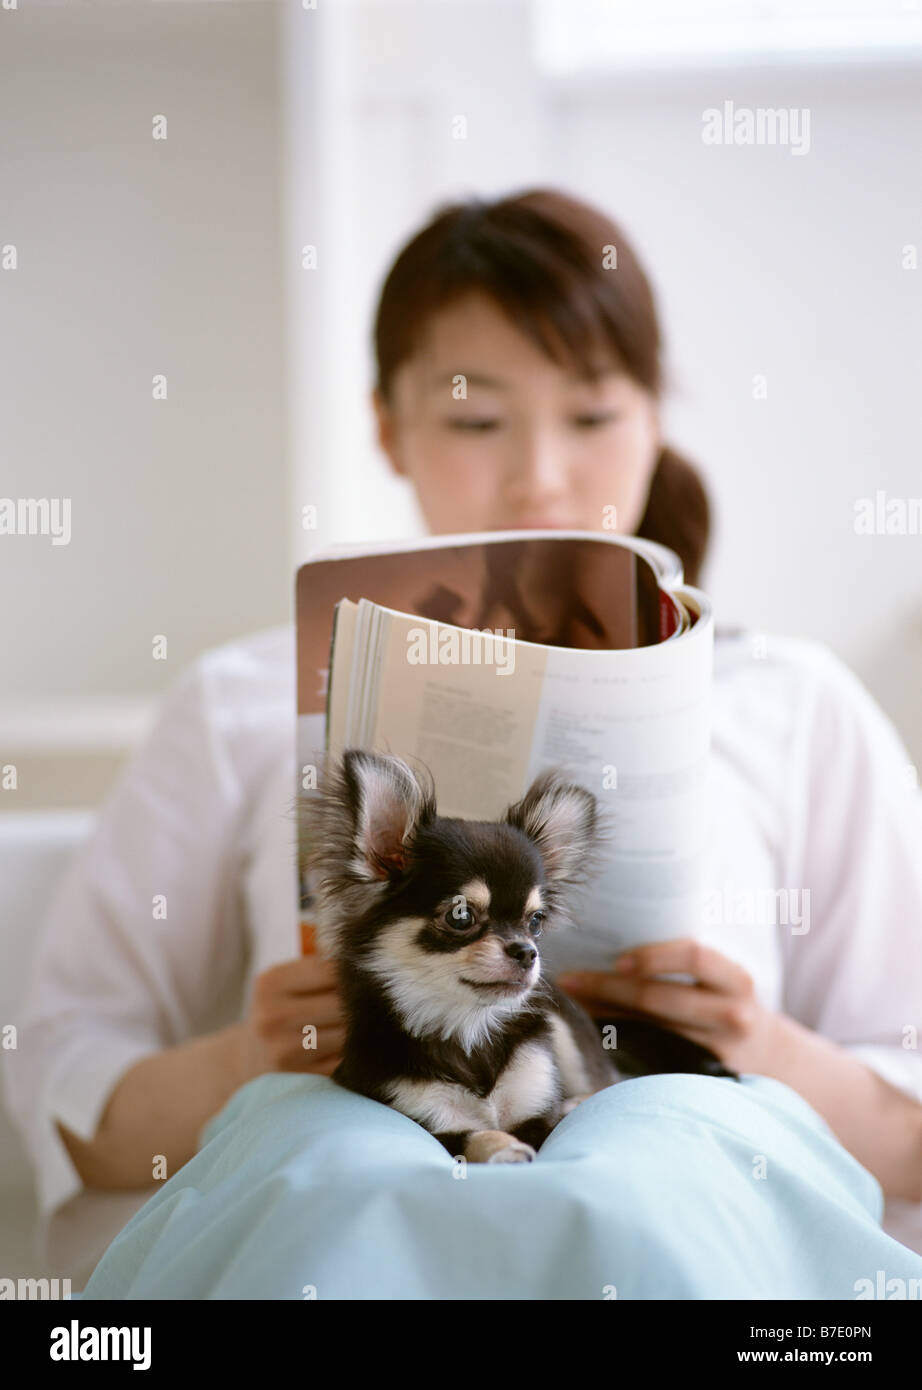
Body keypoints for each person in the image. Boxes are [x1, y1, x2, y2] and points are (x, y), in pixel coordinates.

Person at [4, 189, 922, 1290]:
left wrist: (754, 1047)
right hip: (344, 1192)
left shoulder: (794, 704)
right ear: (387, 426)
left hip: (678, 1191)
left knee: (653, 1166)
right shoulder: (236, 705)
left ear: (654, 420)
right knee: (330, 1160)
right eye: (476, 419)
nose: (541, 476)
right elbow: (63, 1084)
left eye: (593, 415)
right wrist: (252, 1058)